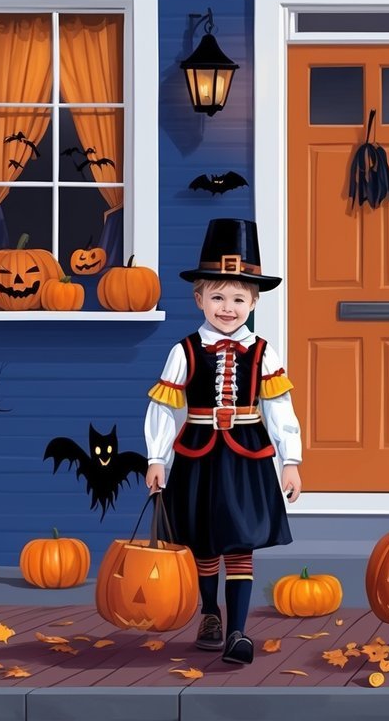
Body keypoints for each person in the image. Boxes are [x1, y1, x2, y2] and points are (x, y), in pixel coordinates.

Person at [144, 218, 302, 666]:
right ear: (199, 299)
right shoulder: (185, 351)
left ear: (254, 301)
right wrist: (157, 457)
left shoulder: (263, 352)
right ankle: (209, 612)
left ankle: (238, 630)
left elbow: (279, 409)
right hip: (197, 453)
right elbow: (164, 409)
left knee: (240, 541)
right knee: (204, 540)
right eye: (217, 297)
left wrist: (291, 460)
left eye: (238, 298)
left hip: (247, 456)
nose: (227, 307)